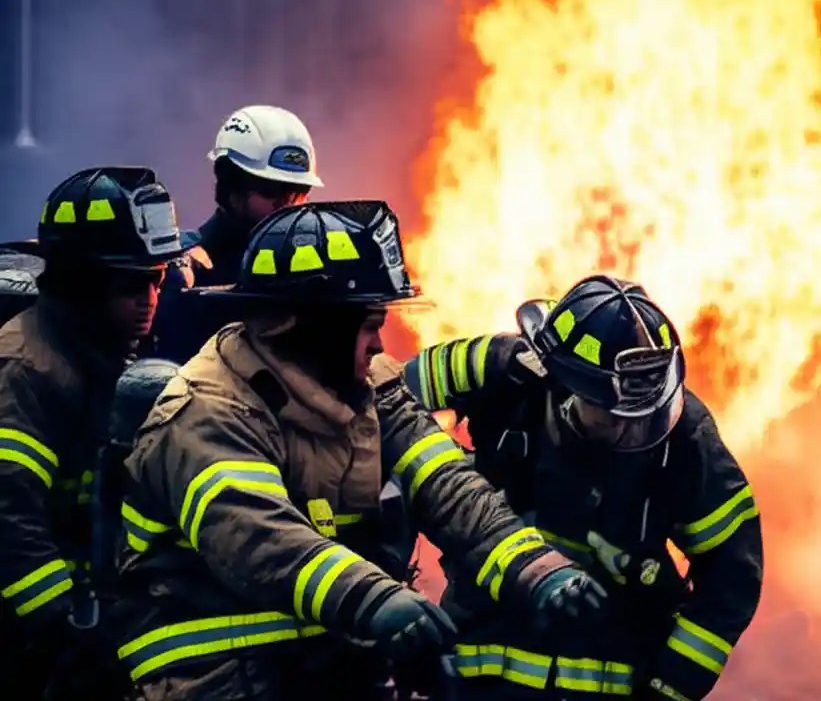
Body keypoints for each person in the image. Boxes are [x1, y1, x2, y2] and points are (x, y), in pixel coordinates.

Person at [112, 200, 605, 700]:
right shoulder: (208, 411)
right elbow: (261, 540)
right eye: (368, 326)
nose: (377, 344)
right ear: (311, 328)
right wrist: (376, 601)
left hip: (326, 661)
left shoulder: (368, 386)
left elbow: (446, 486)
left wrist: (539, 570)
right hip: (211, 673)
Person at [401, 274, 764, 700]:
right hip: (480, 671)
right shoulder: (503, 374)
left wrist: (668, 689)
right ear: (562, 387)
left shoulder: (685, 438)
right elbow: (385, 405)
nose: (630, 428)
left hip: (608, 683)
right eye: (609, 414)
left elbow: (732, 578)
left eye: (644, 415)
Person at [0, 167, 187, 699]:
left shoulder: (97, 348)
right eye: (130, 283)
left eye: (155, 279)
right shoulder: (27, 369)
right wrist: (67, 625)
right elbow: (9, 517)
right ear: (79, 282)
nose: (149, 299)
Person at [147, 104, 323, 363]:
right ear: (232, 186)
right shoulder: (185, 269)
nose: (285, 205)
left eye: (297, 193)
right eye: (271, 191)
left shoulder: (313, 263)